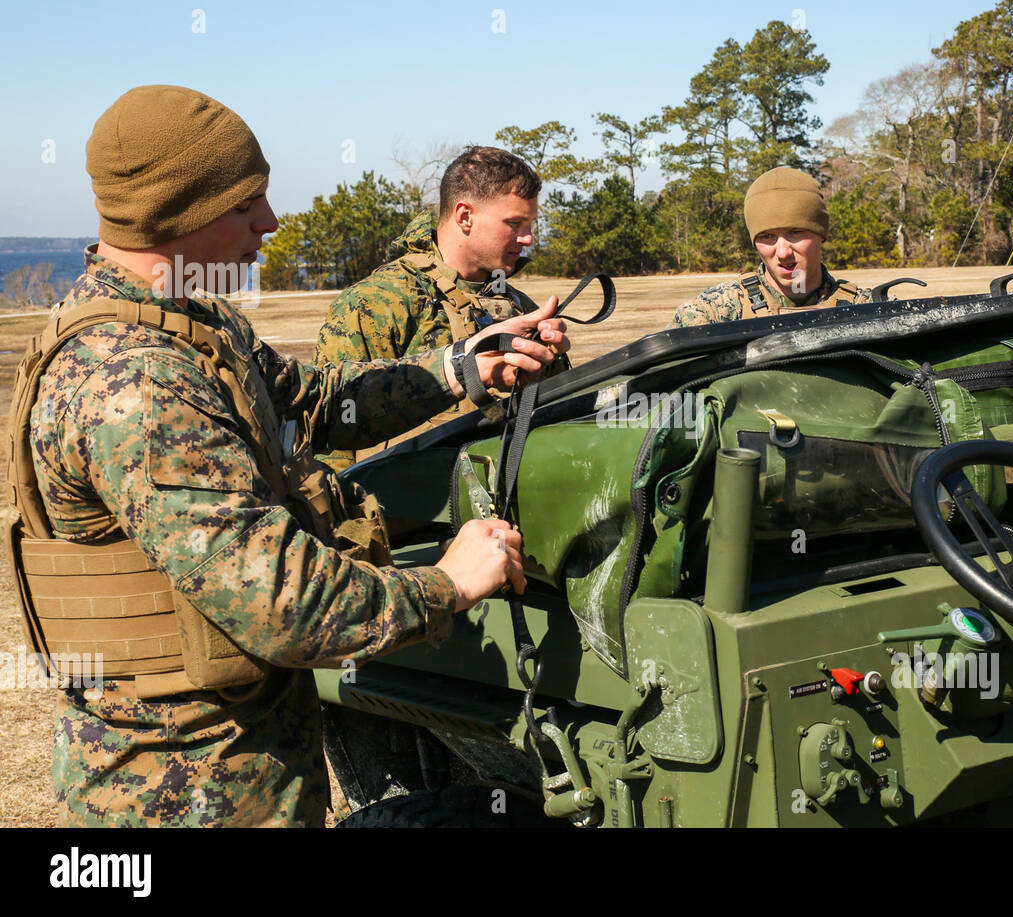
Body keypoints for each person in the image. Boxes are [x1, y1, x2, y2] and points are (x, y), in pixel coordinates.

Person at [6, 85, 569, 827]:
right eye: (247, 205)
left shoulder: (190, 323)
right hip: (186, 793)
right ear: (175, 211)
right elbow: (289, 605)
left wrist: (465, 365)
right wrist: (448, 583)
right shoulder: (139, 382)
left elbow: (314, 398)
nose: (270, 222)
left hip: (241, 767)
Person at [313, 146, 561, 470]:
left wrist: (549, 369)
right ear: (465, 216)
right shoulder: (373, 306)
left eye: (530, 224)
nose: (528, 238)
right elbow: (330, 446)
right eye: (515, 224)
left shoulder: (515, 305)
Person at [667, 166, 872, 328]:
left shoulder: (868, 308)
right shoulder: (715, 311)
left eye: (796, 232)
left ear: (821, 235)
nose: (783, 253)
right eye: (767, 236)